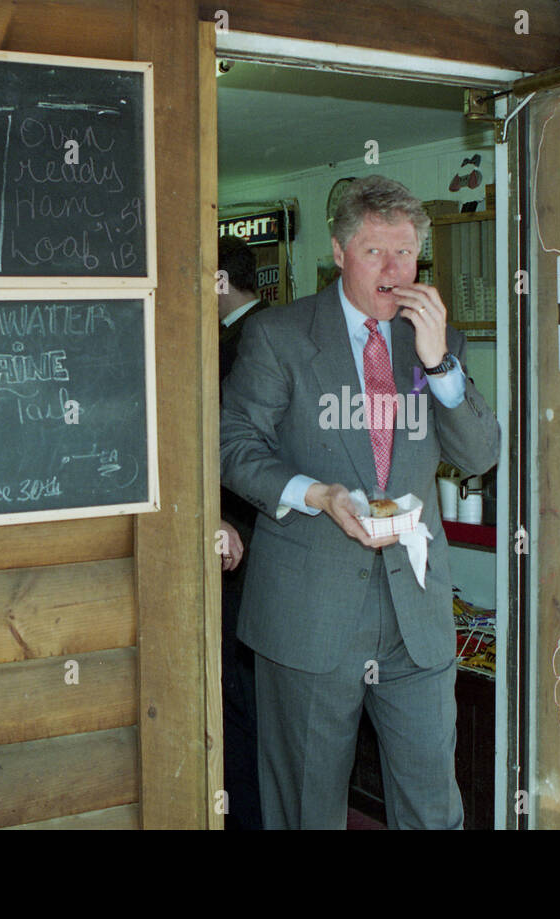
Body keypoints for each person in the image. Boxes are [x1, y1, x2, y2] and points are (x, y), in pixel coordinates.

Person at [220, 175, 501, 829]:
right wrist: (313, 492)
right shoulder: (280, 336)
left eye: (406, 253)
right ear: (339, 250)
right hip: (310, 611)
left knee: (433, 806)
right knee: (306, 809)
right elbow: (232, 445)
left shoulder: (434, 341)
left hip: (415, 613)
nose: (394, 269)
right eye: (376, 251)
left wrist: (439, 365)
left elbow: (481, 453)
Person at [216, 233, 271, 831]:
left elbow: (226, 446)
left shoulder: (239, 344)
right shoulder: (280, 329)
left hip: (241, 541)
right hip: (267, 540)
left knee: (242, 698)